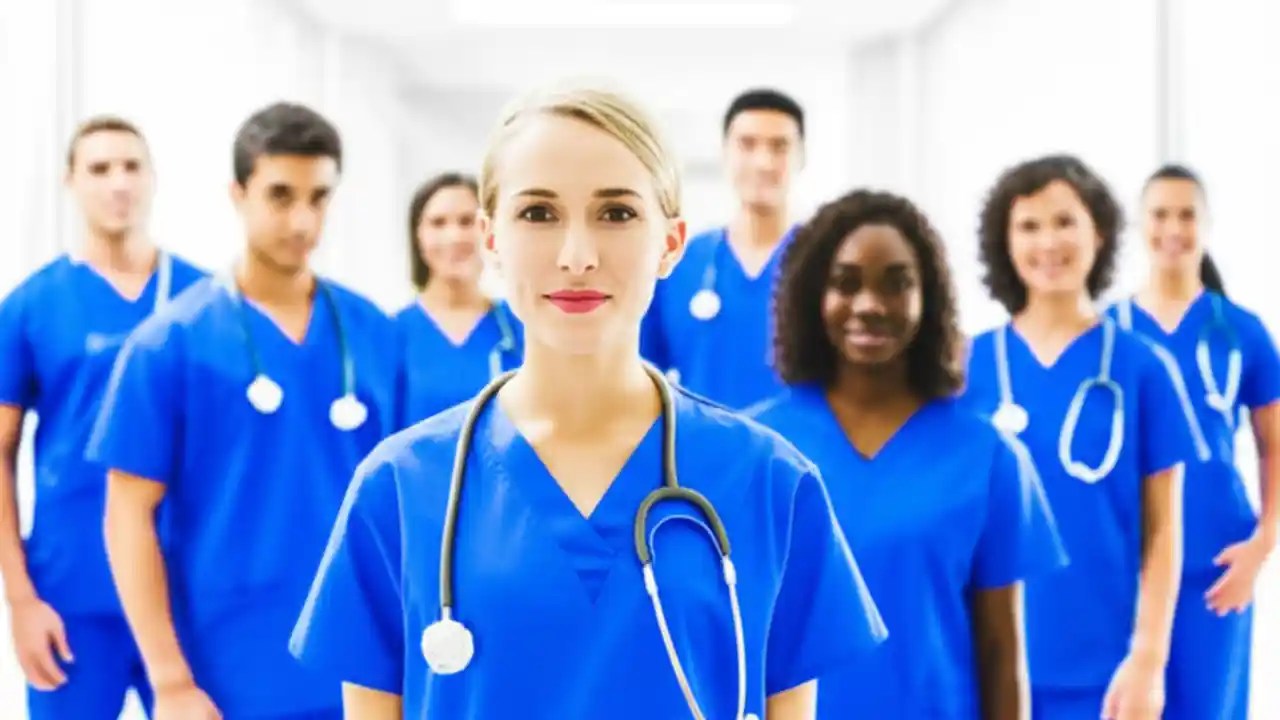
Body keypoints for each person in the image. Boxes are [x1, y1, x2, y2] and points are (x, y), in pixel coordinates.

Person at [289, 82, 886, 720]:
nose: (577, 256)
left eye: (618, 213)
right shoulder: (398, 488)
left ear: (672, 243)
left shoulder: (770, 482)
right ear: (491, 239)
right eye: (538, 214)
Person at [86, 102, 398, 720]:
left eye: (319, 197)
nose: (303, 219)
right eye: (280, 196)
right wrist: (170, 682)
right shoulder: (168, 343)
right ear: (238, 193)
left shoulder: (375, 334)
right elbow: (127, 516)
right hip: (223, 673)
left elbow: (403, 505)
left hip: (357, 665)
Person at [749, 189, 1066, 719]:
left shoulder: (987, 457)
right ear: (811, 296)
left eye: (897, 284)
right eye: (845, 283)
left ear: (930, 298)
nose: (870, 305)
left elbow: (1000, 650)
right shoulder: (758, 448)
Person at [962, 155, 1192, 720]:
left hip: (1106, 672)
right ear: (1004, 241)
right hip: (984, 663)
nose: (1049, 243)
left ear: (1100, 232)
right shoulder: (965, 369)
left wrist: (1148, 658)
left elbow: (1164, 530)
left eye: (1065, 222)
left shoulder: (1144, 368)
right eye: (1029, 226)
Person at [0, 116, 206, 720]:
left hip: (186, 592)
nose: (118, 183)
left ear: (153, 179)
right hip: (73, 596)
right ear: (70, 181)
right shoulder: (31, 306)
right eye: (99, 168)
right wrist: (20, 600)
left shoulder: (202, 300)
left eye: (131, 166)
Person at [1105, 164, 1279, 720]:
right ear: (1139, 224)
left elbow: (1273, 446)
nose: (1173, 228)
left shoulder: (1242, 332)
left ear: (1206, 224)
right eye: (1160, 214)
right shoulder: (1109, 331)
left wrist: (1262, 545)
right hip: (1126, 562)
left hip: (1216, 563)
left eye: (1186, 214)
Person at [640, 88, 804, 409]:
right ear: (724, 153)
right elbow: (642, 377)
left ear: (802, 157)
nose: (763, 161)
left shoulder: (830, 263)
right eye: (747, 144)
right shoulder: (678, 262)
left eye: (780, 146)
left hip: (805, 454)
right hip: (701, 453)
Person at [397, 172, 523, 425]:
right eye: (438, 223)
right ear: (417, 235)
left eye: (467, 222)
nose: (454, 236)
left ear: (490, 232)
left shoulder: (521, 327)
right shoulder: (390, 335)